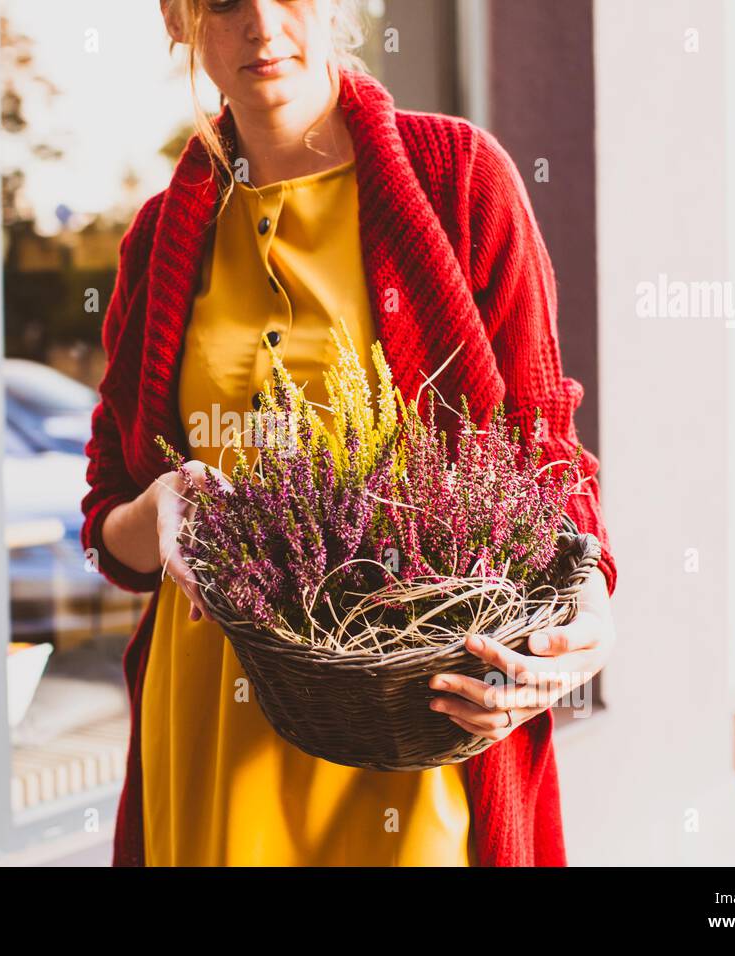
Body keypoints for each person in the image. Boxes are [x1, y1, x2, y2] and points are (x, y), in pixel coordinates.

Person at [82, 0, 617, 866]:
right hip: (210, 719)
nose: (260, 24)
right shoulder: (160, 238)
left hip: (410, 722)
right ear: (179, 22)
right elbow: (111, 516)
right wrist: (159, 508)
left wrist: (588, 611)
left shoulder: (459, 180)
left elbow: (542, 450)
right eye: (222, 3)